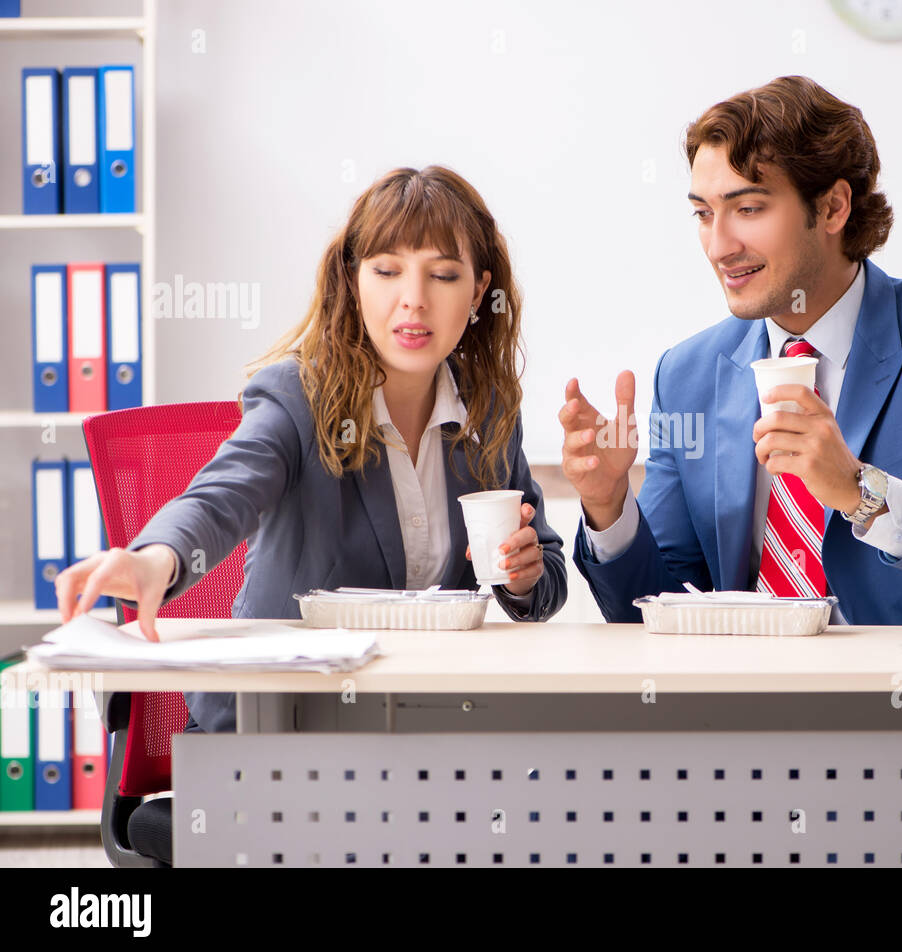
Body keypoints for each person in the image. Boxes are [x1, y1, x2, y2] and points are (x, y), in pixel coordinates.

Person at [57, 165, 567, 735]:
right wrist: (157, 558)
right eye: (387, 271)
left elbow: (544, 581)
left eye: (443, 275)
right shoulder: (299, 396)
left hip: (418, 729)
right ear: (353, 281)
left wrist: (522, 579)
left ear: (478, 290)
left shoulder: (488, 408)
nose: (413, 300)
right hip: (277, 728)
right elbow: (222, 495)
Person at [560, 76, 902, 625]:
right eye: (703, 213)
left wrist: (864, 494)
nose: (719, 246)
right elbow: (663, 607)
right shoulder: (686, 376)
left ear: (833, 208)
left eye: (747, 208)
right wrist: (609, 508)